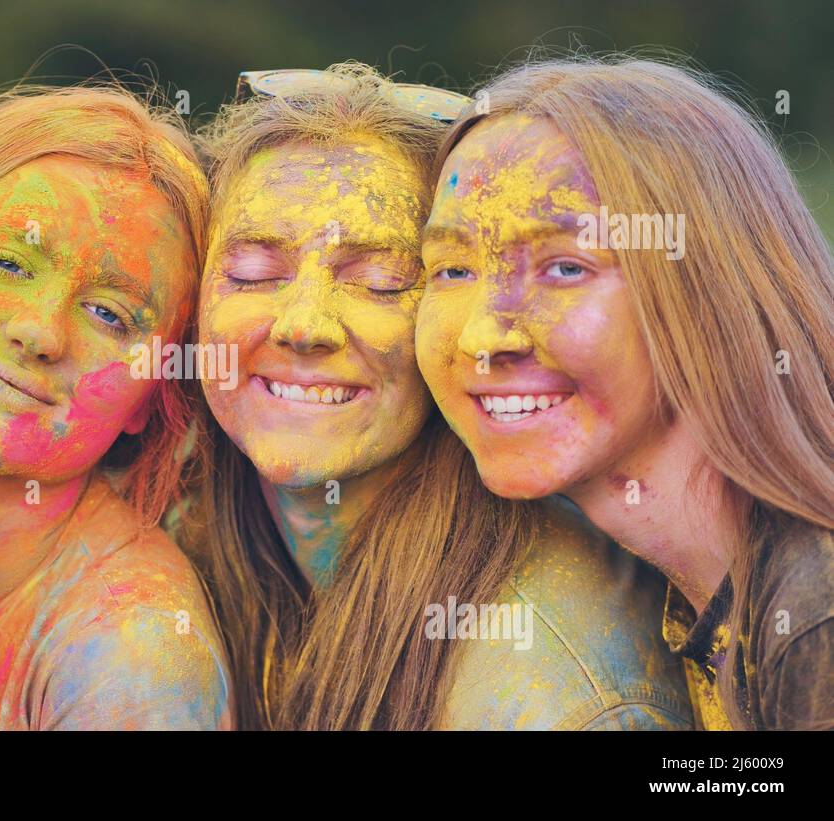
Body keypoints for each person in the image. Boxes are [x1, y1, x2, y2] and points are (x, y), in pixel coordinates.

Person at [181, 63, 692, 730]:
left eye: (383, 281)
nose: (303, 324)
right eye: (253, 273)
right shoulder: (194, 549)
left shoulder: (549, 691)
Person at [418, 56, 834, 729]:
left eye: (565, 267)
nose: (484, 333)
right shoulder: (687, 592)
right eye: (453, 267)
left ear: (712, 290)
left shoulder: (816, 617)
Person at [0, 84, 232, 729]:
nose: (41, 333)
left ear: (152, 395)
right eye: (8, 264)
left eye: (109, 314)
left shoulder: (137, 655)